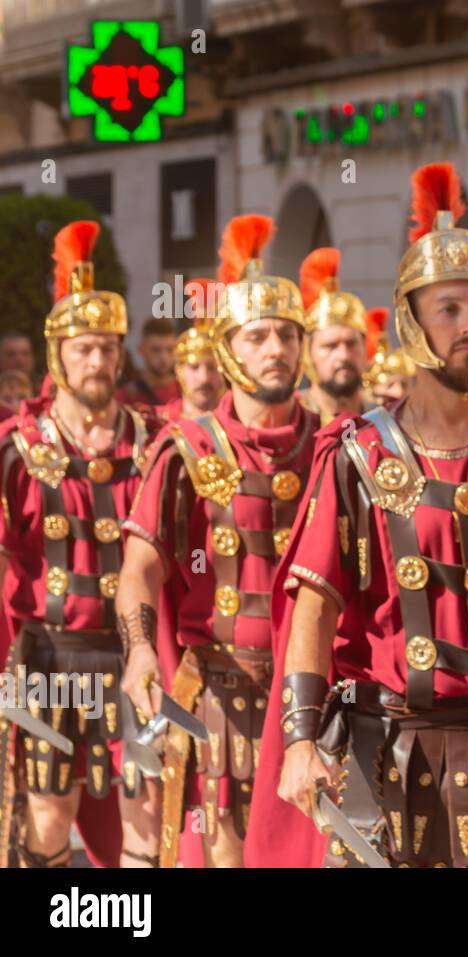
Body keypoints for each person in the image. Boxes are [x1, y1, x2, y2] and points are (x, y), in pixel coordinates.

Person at [245, 162, 468, 869]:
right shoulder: (355, 457)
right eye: (450, 309)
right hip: (390, 753)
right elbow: (312, 611)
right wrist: (302, 740)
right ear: (411, 321)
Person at [117, 213, 318, 868]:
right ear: (230, 348)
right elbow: (139, 569)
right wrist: (141, 650)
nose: (276, 348)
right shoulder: (188, 450)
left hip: (318, 697)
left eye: (288, 334)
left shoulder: (339, 447)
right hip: (223, 697)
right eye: (258, 335)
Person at [0, 220, 159, 867]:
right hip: (49, 659)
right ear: (57, 354)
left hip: (134, 657)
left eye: (107, 347)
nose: (97, 360)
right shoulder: (19, 448)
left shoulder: (153, 444)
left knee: (145, 807)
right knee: (49, 812)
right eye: (83, 348)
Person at [297, 248, 373, 426]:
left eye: (351, 343)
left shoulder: (385, 420)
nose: (344, 355)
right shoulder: (293, 422)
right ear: (308, 353)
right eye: (330, 346)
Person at [163, 277, 225, 421]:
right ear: (179, 370)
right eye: (194, 367)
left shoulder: (239, 425)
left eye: (212, 367)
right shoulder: (157, 423)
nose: (204, 378)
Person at [116, 318, 181, 408]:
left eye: (169, 350)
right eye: (156, 350)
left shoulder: (185, 392)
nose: (164, 357)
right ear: (141, 350)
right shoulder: (126, 396)